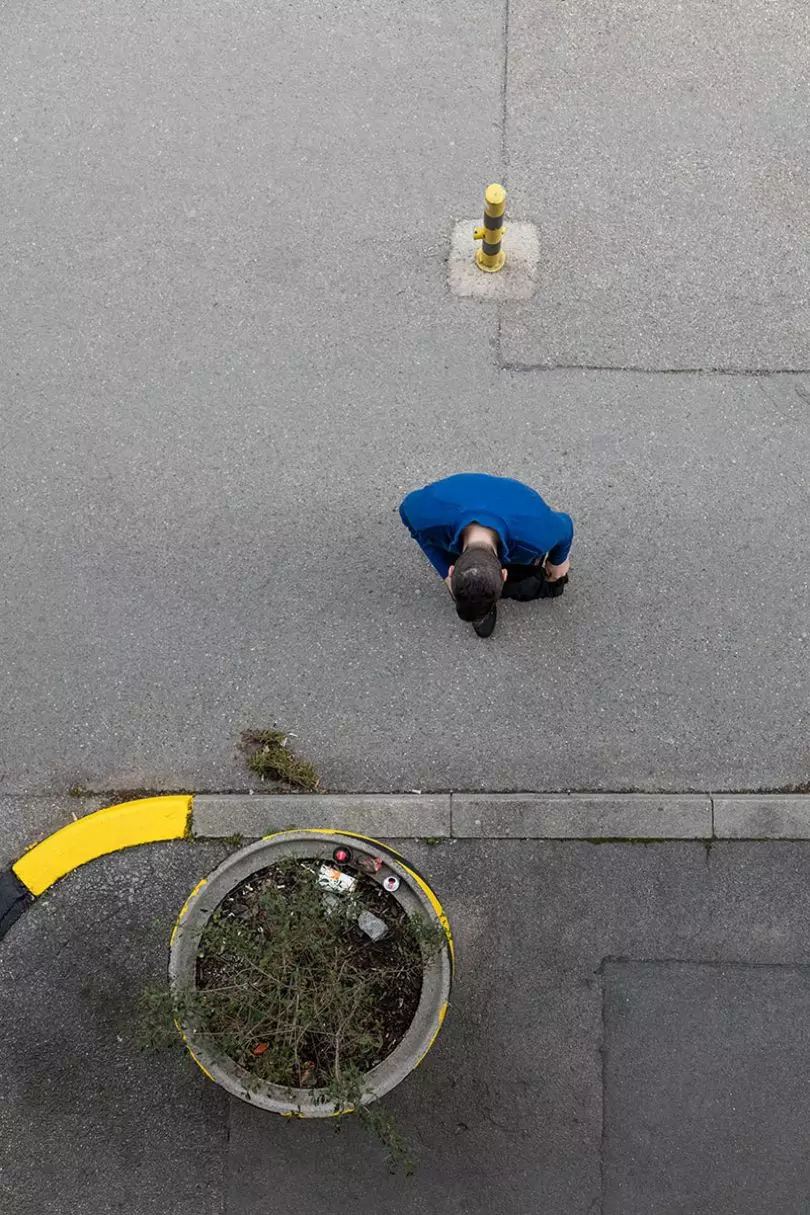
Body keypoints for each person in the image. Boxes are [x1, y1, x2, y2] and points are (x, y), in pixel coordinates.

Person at [399, 473, 573, 638]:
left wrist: (558, 561)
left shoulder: (535, 535)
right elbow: (404, 511)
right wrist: (443, 572)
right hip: (469, 505)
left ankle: (484, 598)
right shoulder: (425, 515)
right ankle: (483, 600)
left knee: (546, 582)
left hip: (519, 512)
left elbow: (566, 526)